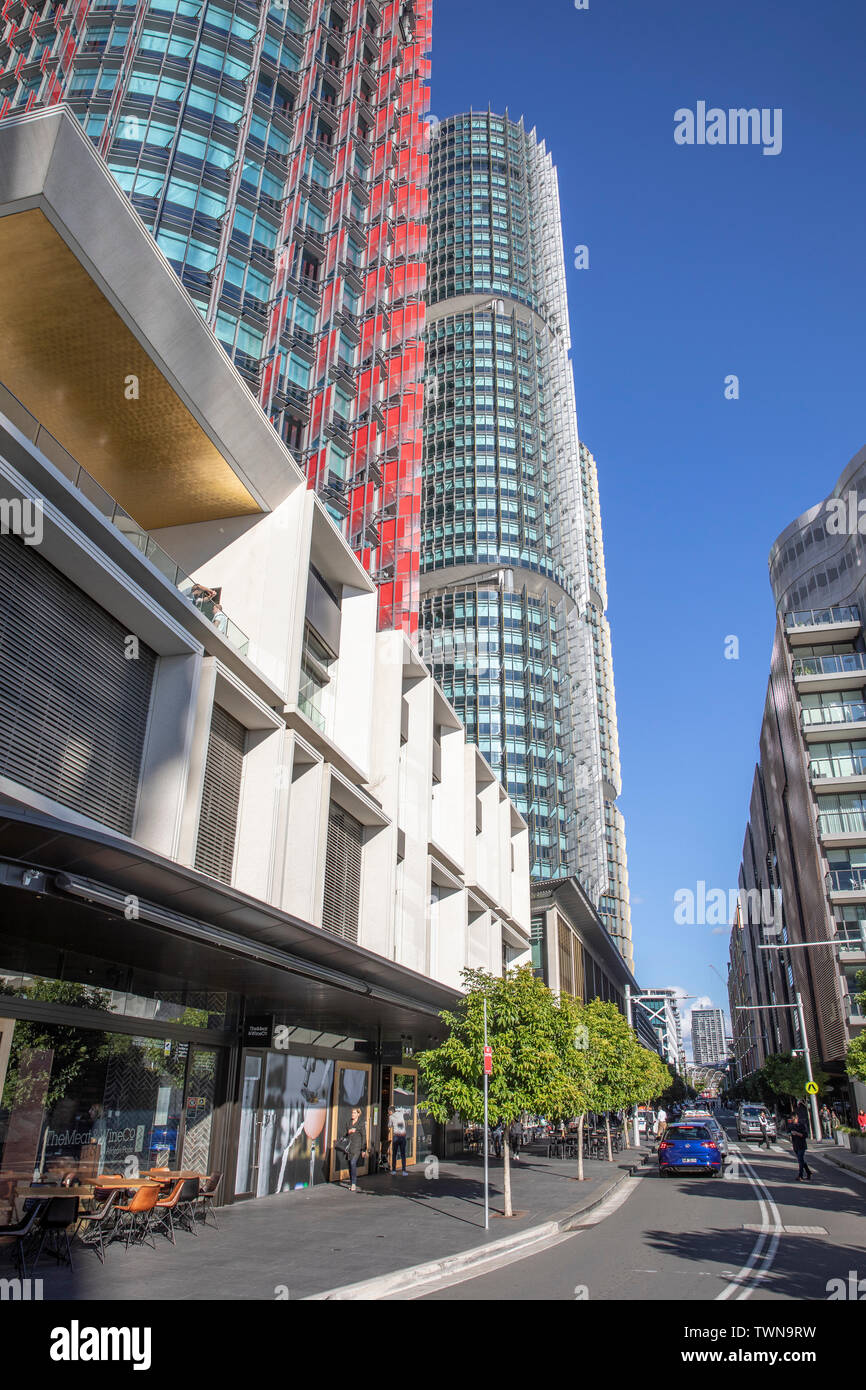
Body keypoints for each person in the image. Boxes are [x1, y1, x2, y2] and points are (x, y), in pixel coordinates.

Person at [340, 1105, 366, 1192]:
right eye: (352, 1112)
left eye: (354, 1113)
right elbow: (344, 1134)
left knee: (353, 1163)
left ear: (358, 1114)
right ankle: (352, 1182)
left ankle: (354, 1183)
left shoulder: (361, 1123)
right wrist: (348, 1132)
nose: (353, 1114)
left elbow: (364, 1136)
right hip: (349, 1147)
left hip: (357, 1147)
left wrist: (363, 1149)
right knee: (350, 1165)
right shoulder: (348, 1122)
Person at [788, 1116, 812, 1182]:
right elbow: (789, 1132)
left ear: (797, 1118)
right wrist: (790, 1135)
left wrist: (797, 1133)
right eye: (792, 1119)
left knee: (800, 1160)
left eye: (794, 1119)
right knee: (801, 1160)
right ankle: (808, 1172)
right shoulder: (792, 1126)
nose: (793, 1120)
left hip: (801, 1145)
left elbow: (805, 1135)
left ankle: (800, 1175)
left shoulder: (802, 1125)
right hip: (795, 1145)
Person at [388, 1104, 408, 1174]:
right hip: (402, 1135)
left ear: (390, 1111)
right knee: (403, 1154)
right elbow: (404, 1111)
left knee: (394, 1154)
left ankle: (393, 1170)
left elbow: (389, 1125)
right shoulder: (400, 1114)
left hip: (396, 1136)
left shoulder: (391, 1117)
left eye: (388, 1111)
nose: (388, 1112)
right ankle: (404, 1171)